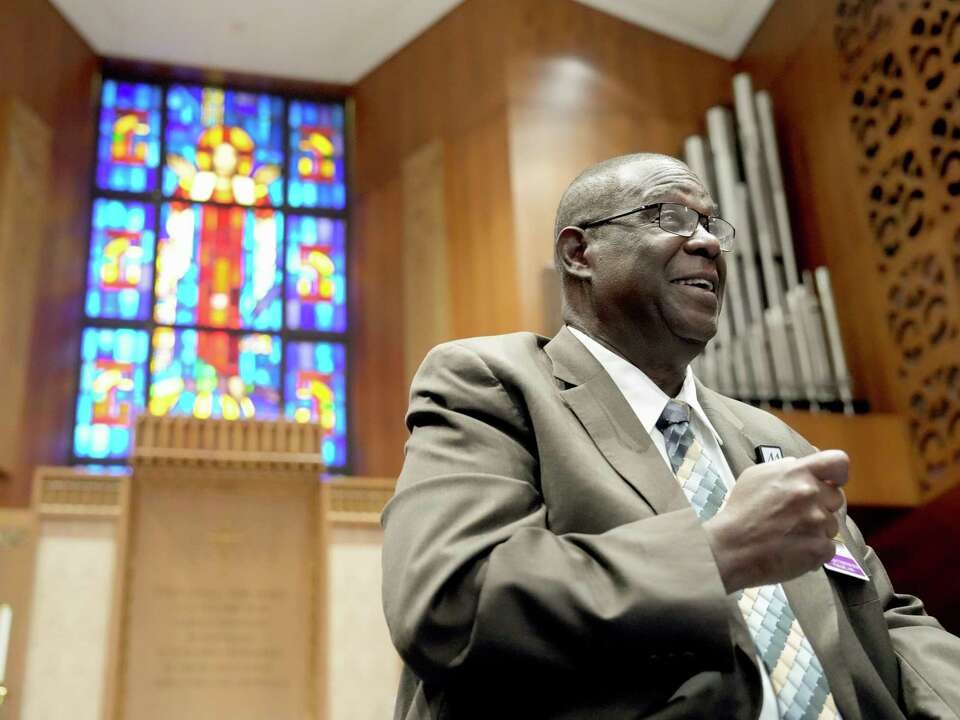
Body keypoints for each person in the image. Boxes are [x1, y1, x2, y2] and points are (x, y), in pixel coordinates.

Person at [381, 153, 960, 719]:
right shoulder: (494, 384)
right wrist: (719, 554)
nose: (707, 241)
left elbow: (884, 615)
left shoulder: (773, 436)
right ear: (579, 253)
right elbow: (453, 602)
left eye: (711, 224)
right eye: (669, 216)